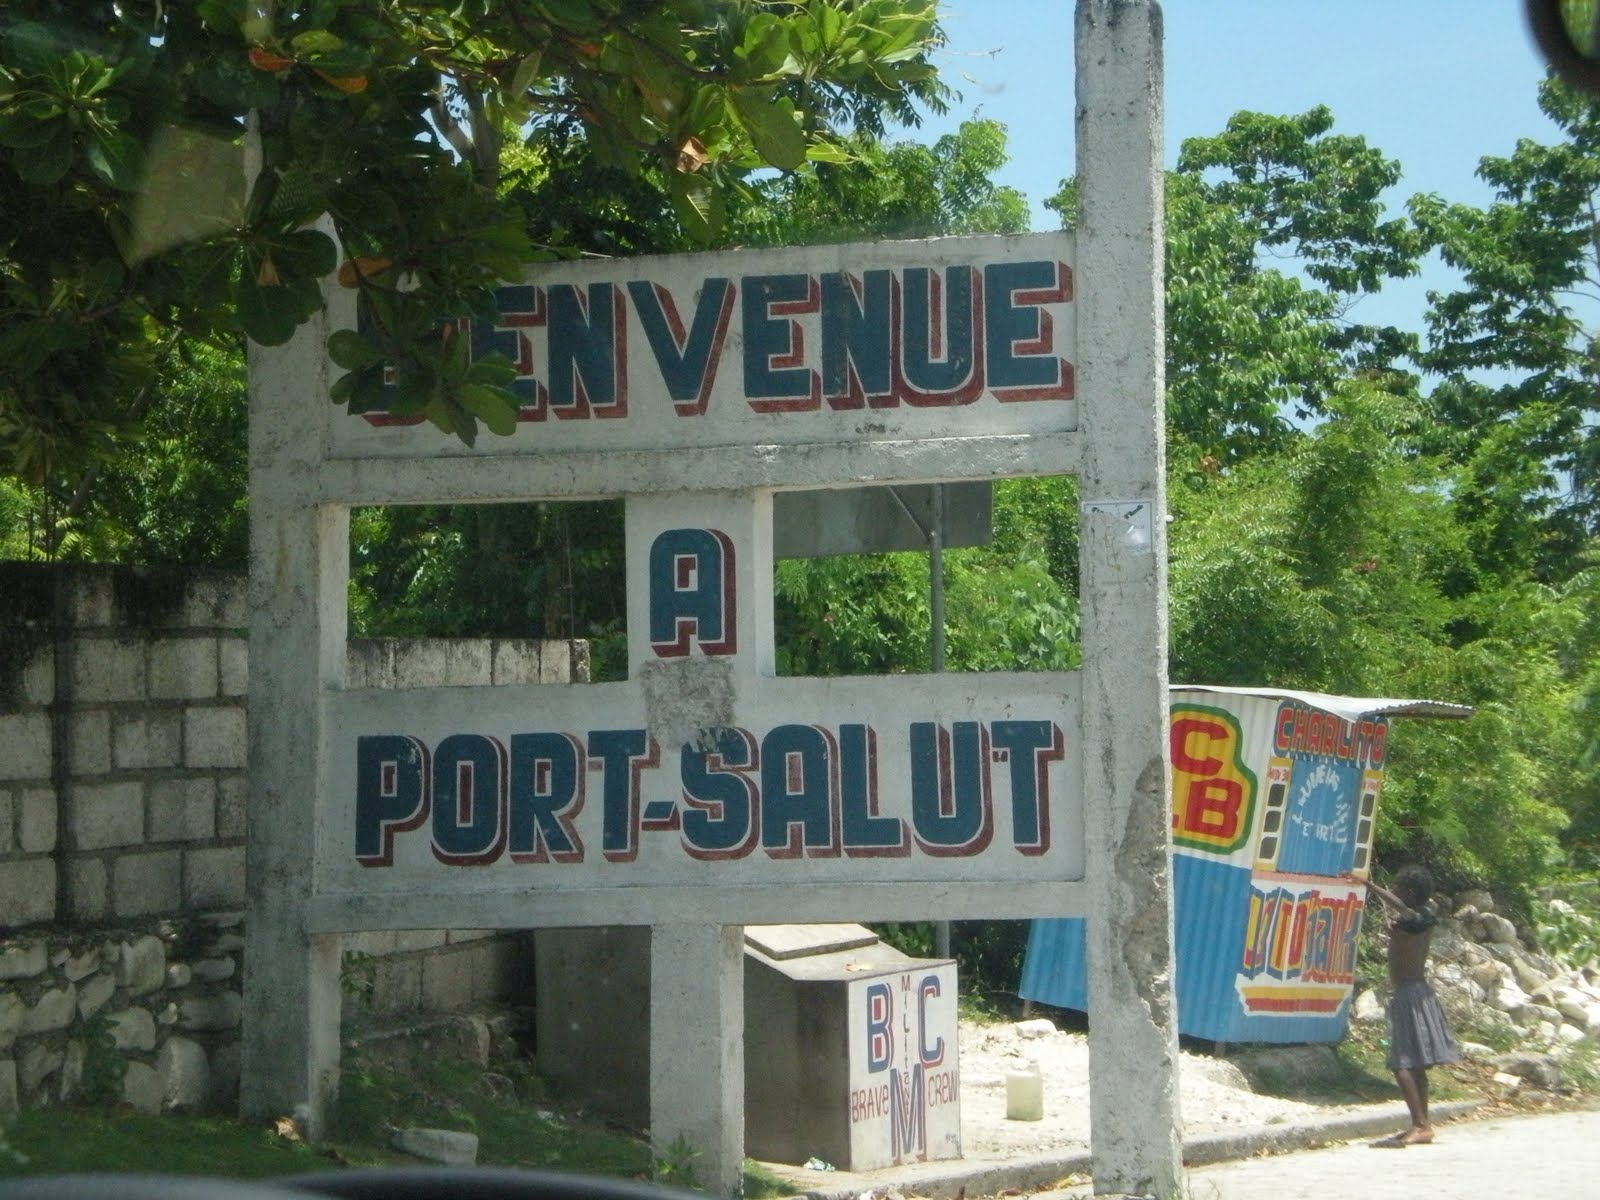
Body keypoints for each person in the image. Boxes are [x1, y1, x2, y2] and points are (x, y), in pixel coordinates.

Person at [1355, 865, 1462, 1147]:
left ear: (1410, 894)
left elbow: (1400, 906)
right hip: (1417, 993)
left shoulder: (1416, 918)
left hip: (1409, 996)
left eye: (1398, 888)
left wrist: (1368, 885)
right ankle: (1422, 1125)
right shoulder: (1421, 920)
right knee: (1414, 1065)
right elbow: (1403, 915)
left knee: (1401, 1062)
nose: (1394, 892)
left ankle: (1420, 1124)